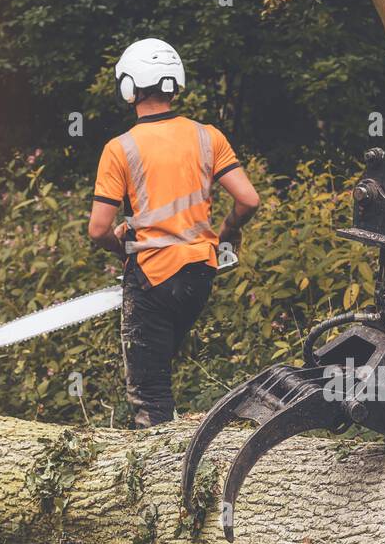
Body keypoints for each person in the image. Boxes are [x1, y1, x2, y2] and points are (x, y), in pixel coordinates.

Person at [88, 38, 260, 427]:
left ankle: (154, 475)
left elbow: (98, 229)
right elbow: (248, 200)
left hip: (152, 278)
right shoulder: (208, 136)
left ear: (129, 87)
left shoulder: (121, 148)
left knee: (150, 400)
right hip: (199, 275)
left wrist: (123, 246)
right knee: (162, 374)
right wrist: (227, 233)